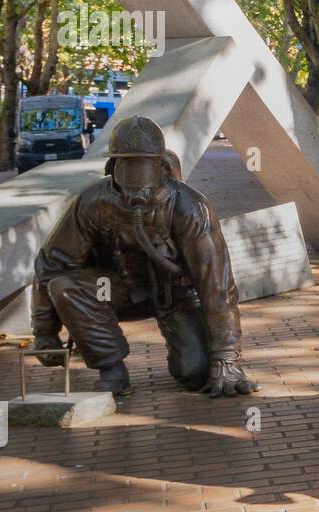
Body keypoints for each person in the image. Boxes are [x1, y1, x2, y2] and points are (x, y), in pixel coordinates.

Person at [31, 116, 257, 398]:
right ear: (113, 166)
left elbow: (217, 286)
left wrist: (226, 358)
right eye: (128, 165)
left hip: (177, 296)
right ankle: (110, 368)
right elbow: (53, 264)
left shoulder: (191, 207)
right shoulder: (93, 201)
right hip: (116, 289)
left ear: (161, 166)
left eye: (144, 165)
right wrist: (44, 332)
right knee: (65, 286)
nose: (136, 177)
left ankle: (198, 358)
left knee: (195, 374)